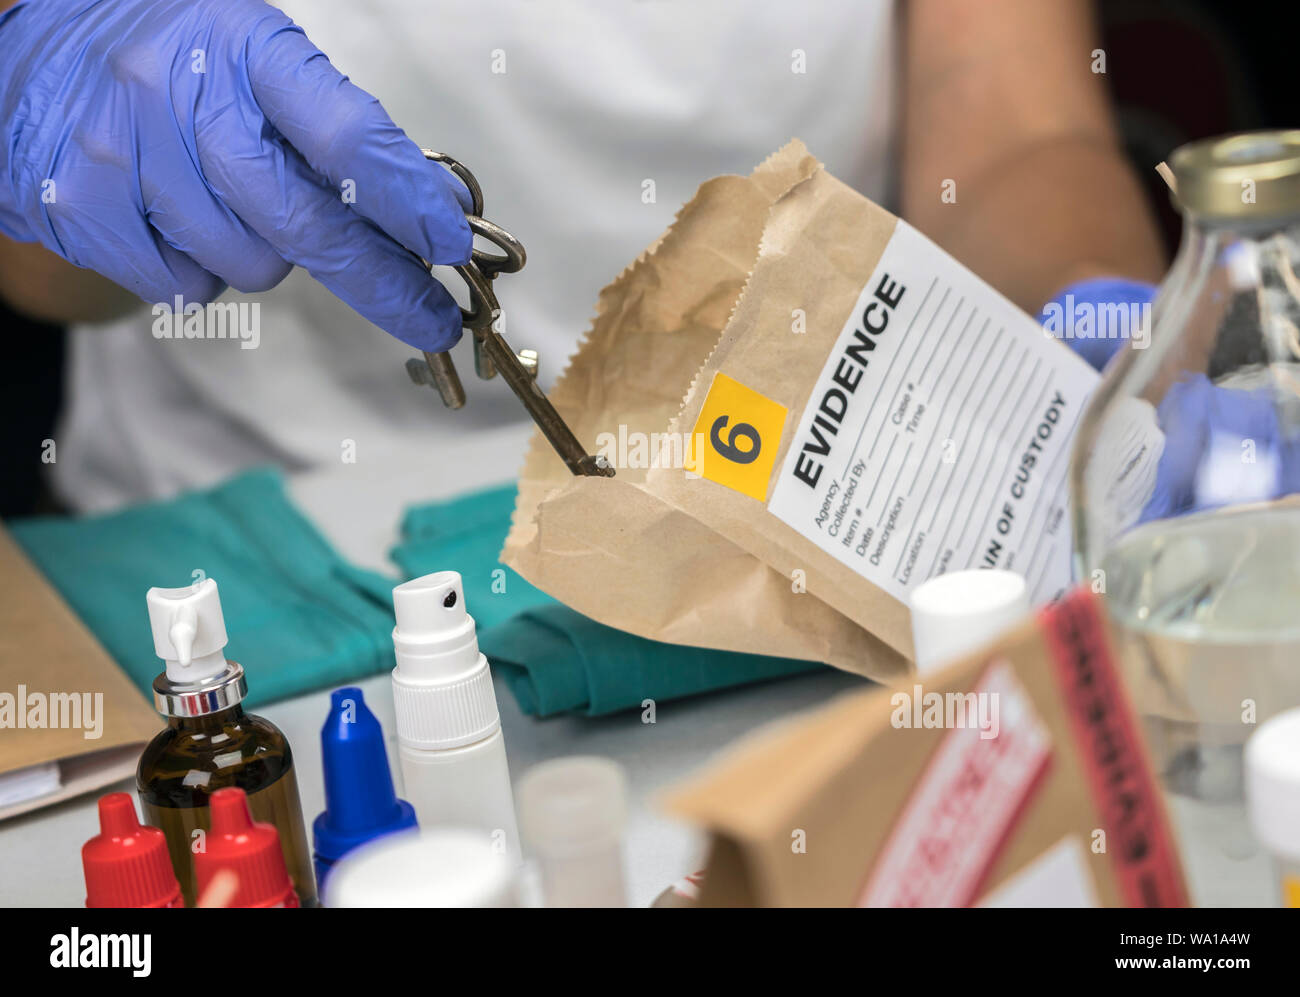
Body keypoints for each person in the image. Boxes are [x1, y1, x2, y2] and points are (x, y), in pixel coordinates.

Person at [0, 0, 1165, 512]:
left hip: (786, 516)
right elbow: (50, 274)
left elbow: (1014, 135)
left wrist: (1112, 350)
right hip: (254, 557)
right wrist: (47, 108)